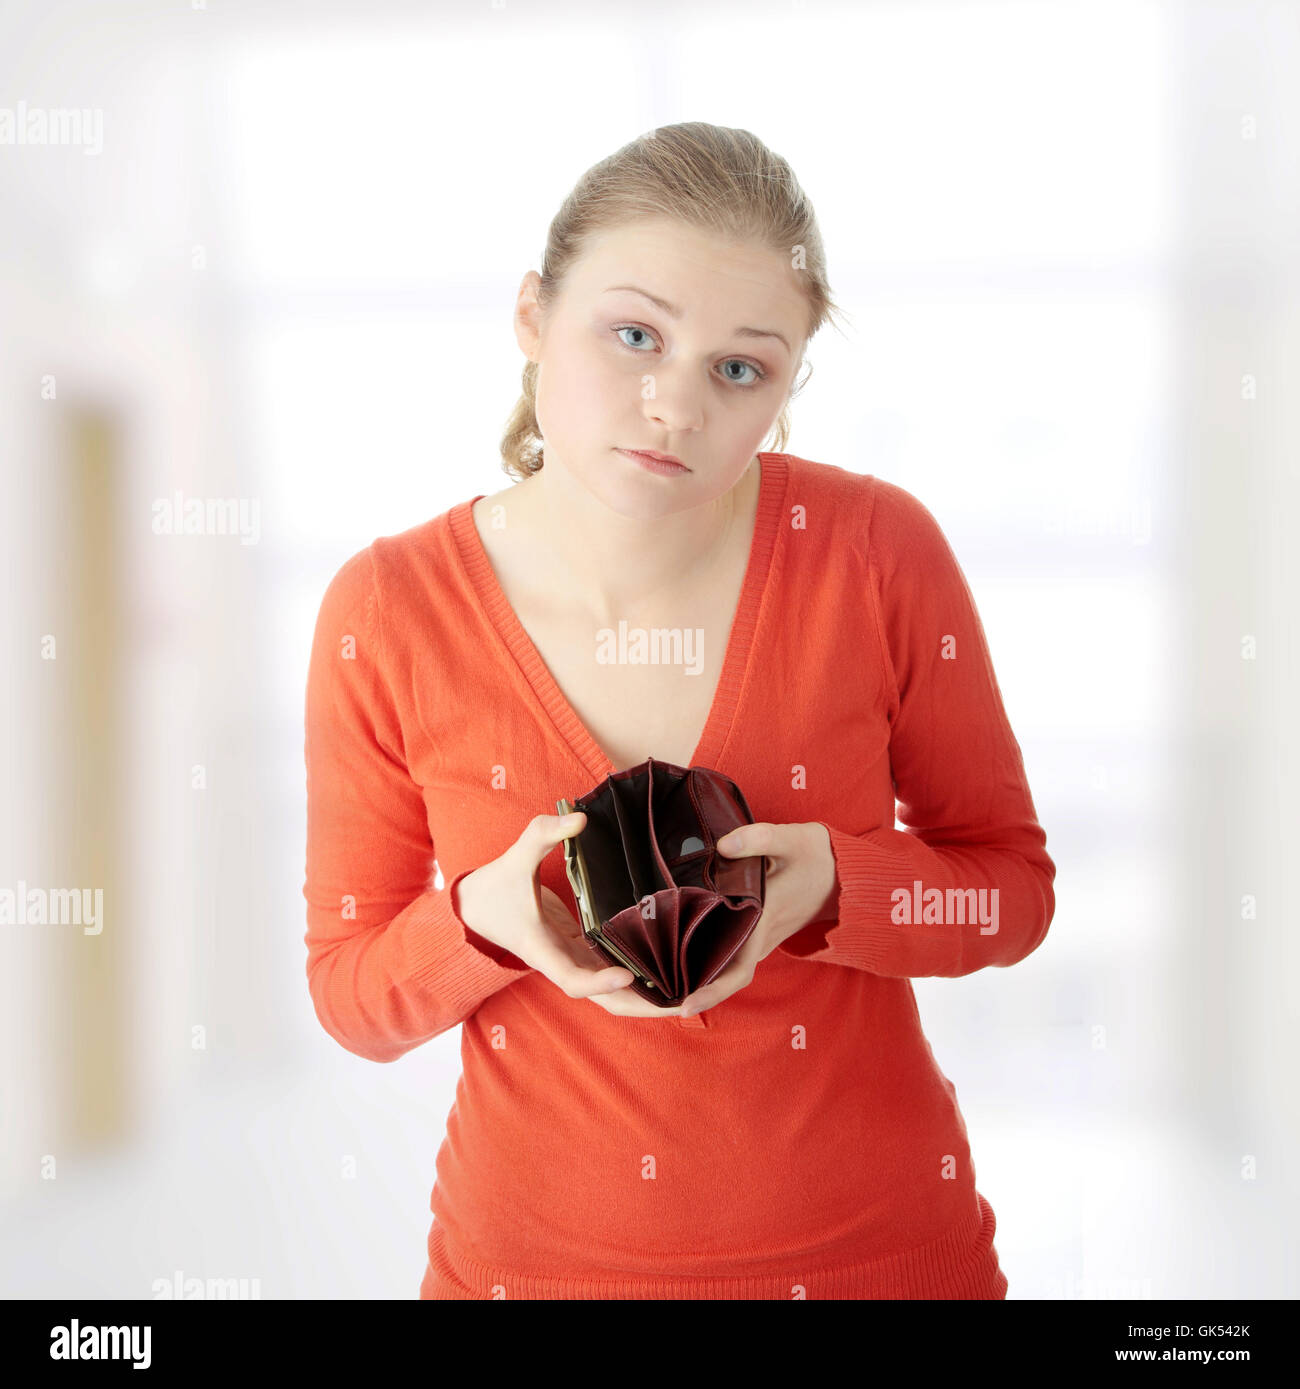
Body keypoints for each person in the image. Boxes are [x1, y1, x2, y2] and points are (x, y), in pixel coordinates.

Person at [302, 122, 1056, 1299]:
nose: (673, 405)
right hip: (528, 1272)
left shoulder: (874, 553)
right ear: (530, 317)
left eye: (738, 367)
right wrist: (481, 923)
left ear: (784, 391)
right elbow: (351, 995)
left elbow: (1010, 894)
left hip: (883, 1262)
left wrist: (839, 888)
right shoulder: (389, 608)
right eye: (633, 334)